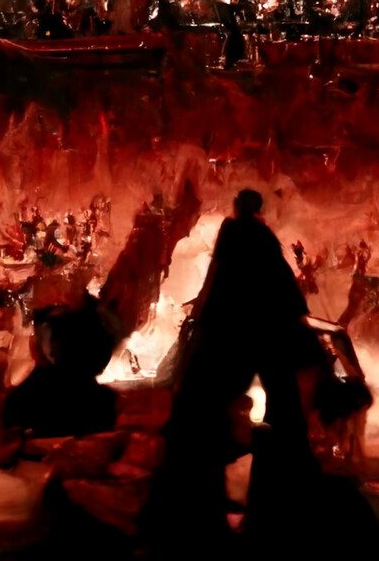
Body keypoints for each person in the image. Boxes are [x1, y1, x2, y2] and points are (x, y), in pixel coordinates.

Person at [140, 188, 320, 547]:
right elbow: (282, 284)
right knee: (282, 407)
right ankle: (293, 495)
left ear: (239, 206)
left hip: (233, 324)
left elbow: (218, 274)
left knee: (199, 410)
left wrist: (199, 320)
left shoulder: (235, 232)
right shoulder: (265, 239)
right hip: (267, 323)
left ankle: (191, 506)